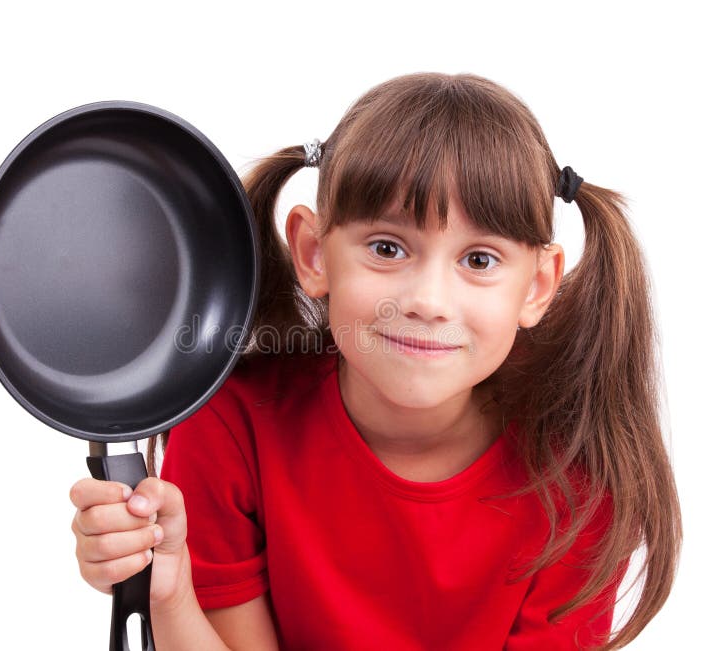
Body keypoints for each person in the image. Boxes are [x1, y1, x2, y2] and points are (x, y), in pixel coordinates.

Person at [69, 72, 681, 650]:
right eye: (388, 248)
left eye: (479, 260)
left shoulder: (577, 485)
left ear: (537, 286)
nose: (429, 303)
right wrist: (169, 592)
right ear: (313, 253)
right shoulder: (231, 425)